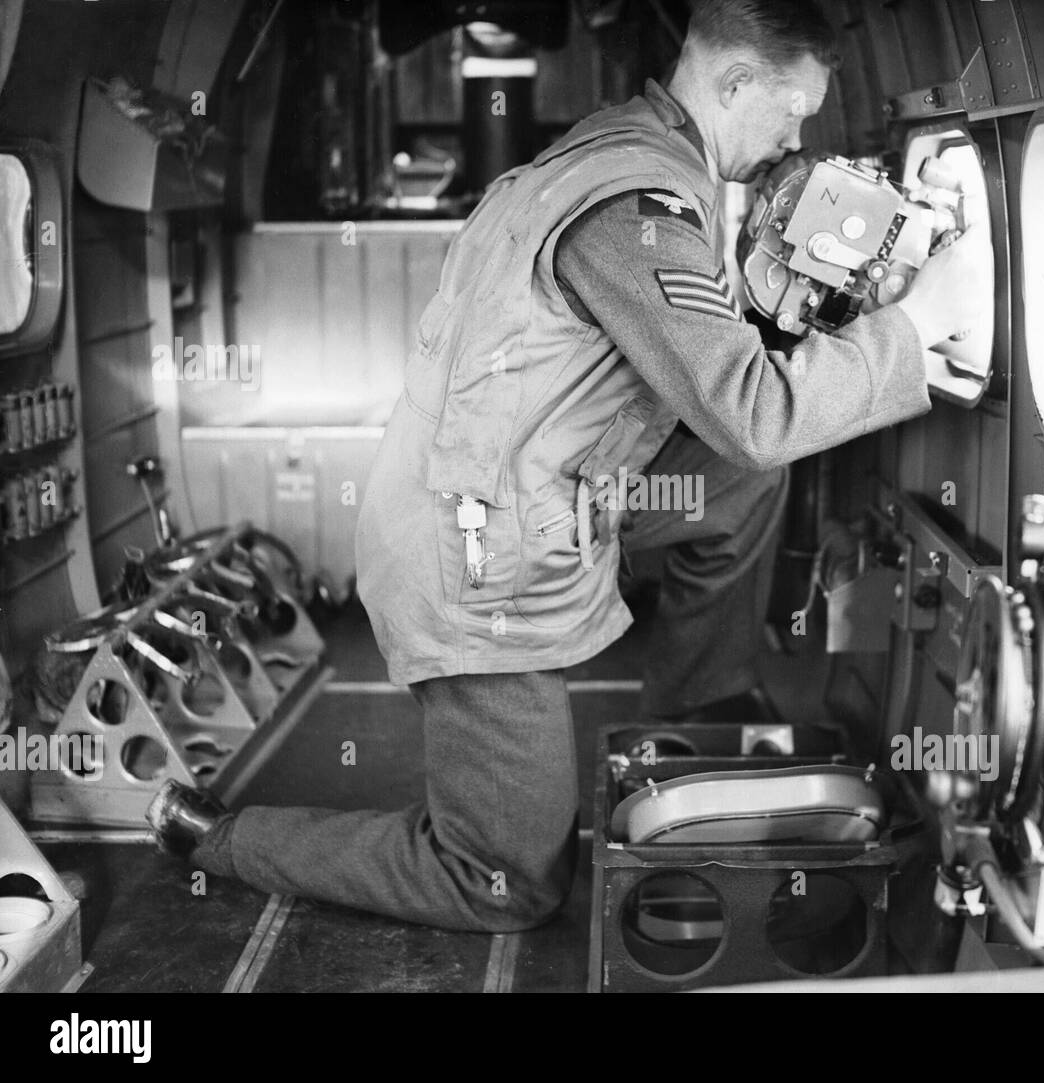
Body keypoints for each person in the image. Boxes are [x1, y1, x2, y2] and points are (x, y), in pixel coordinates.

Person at [147, 0, 988, 931]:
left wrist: (779, 307)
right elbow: (753, 408)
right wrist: (914, 328)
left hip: (551, 489)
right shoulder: (639, 208)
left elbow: (695, 389)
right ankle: (218, 834)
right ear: (736, 81)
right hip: (475, 552)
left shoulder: (639, 153)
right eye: (790, 109)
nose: (799, 135)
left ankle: (698, 717)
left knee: (742, 482)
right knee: (507, 882)